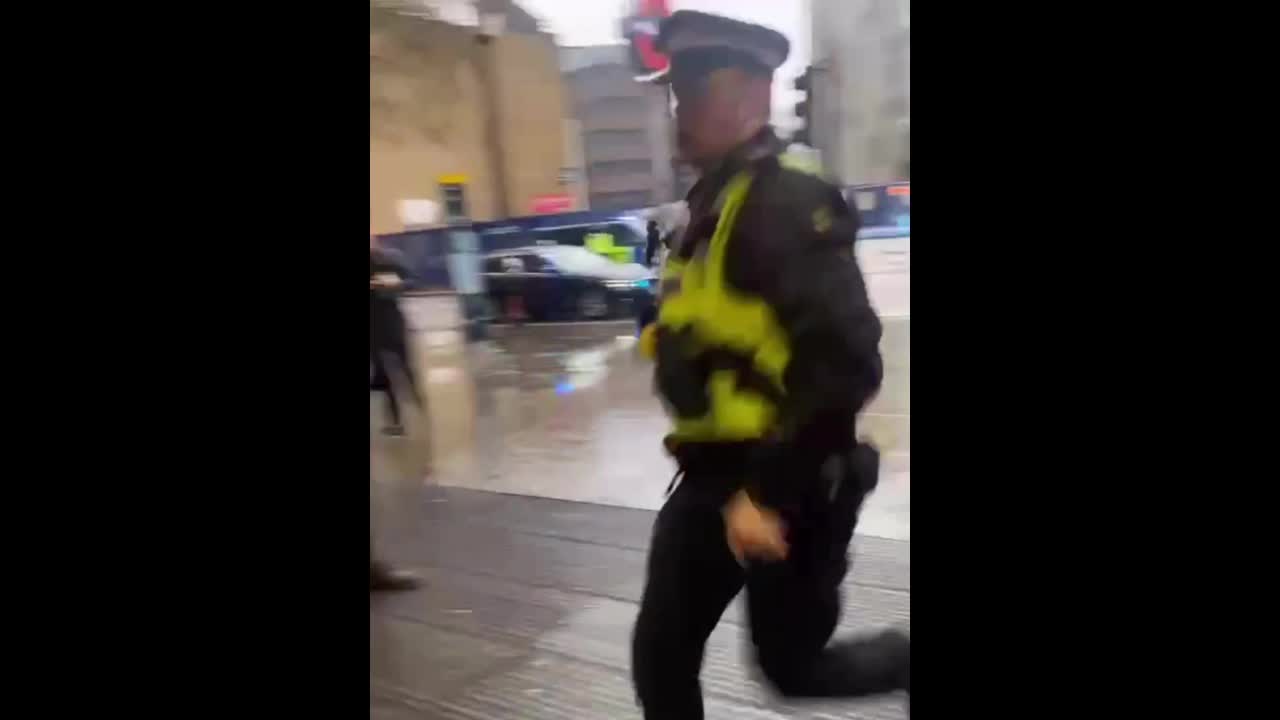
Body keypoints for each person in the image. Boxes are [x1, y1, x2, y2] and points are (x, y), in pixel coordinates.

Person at [630, 11, 910, 719]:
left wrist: (765, 493)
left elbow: (846, 363)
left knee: (793, 667)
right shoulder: (712, 200)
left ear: (752, 95)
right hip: (710, 476)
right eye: (677, 94)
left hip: (787, 483)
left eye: (696, 92)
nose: (680, 111)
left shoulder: (786, 199)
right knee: (661, 655)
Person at [370, 233, 421, 437]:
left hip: (392, 321)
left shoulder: (390, 260)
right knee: (384, 375)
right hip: (373, 328)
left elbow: (411, 281)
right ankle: (396, 422)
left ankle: (420, 405)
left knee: (405, 368)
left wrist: (392, 284)